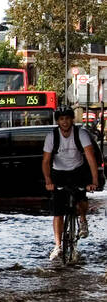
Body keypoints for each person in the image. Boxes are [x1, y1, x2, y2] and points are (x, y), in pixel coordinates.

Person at [43, 106, 99, 260]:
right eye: (61, 119)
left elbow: (90, 158)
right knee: (57, 212)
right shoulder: (51, 136)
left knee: (81, 200)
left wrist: (93, 181)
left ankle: (82, 219)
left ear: (72, 119)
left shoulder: (81, 134)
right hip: (58, 173)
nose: (65, 122)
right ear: (58, 121)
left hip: (78, 171)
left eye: (67, 118)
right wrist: (48, 181)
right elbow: (46, 161)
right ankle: (58, 246)